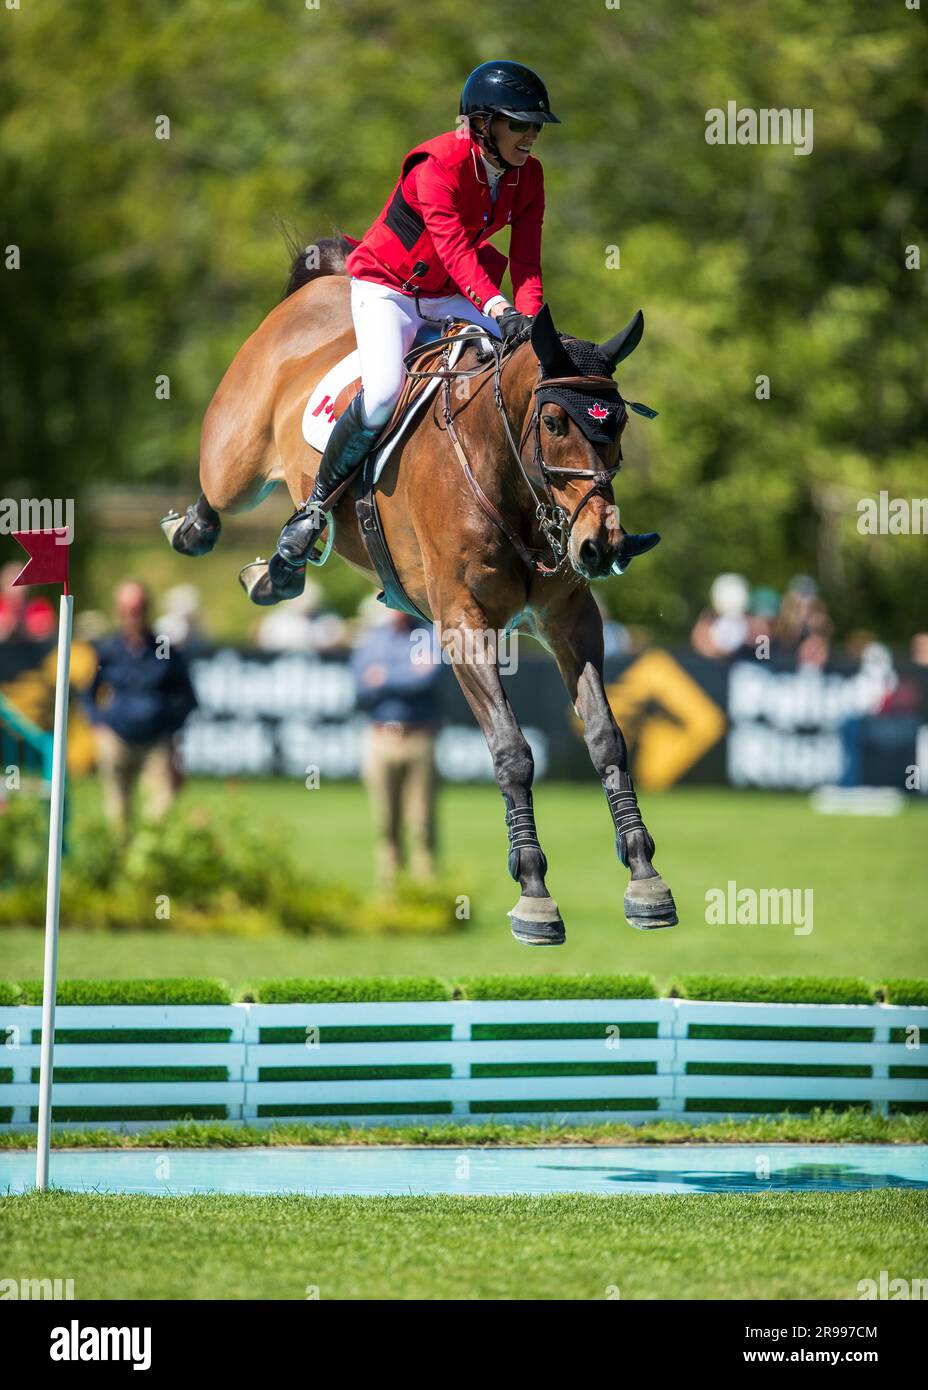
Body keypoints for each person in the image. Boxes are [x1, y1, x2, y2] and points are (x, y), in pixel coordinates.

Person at [268, 60, 557, 594]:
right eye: (520, 124)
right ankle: (311, 514)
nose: (531, 135)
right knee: (382, 394)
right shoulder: (436, 166)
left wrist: (534, 328)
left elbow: (529, 264)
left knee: (527, 377)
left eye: (535, 126)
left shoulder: (528, 176)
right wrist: (498, 310)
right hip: (390, 291)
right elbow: (453, 249)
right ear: (483, 124)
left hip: (453, 294)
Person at [84, 581, 198, 838]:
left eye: (137, 609)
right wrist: (98, 726)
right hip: (117, 737)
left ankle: (149, 864)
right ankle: (121, 864)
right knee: (118, 812)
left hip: (156, 741)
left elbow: (188, 696)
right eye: (127, 610)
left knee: (160, 810)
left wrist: (172, 731)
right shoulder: (109, 649)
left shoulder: (163, 648)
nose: (132, 616)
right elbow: (89, 691)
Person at [350, 610, 443, 889]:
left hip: (419, 736)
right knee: (385, 822)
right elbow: (360, 686)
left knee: (422, 821)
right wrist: (405, 673)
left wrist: (383, 677)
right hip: (379, 737)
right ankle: (391, 889)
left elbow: (427, 679)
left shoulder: (428, 634)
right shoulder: (372, 638)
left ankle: (427, 889)